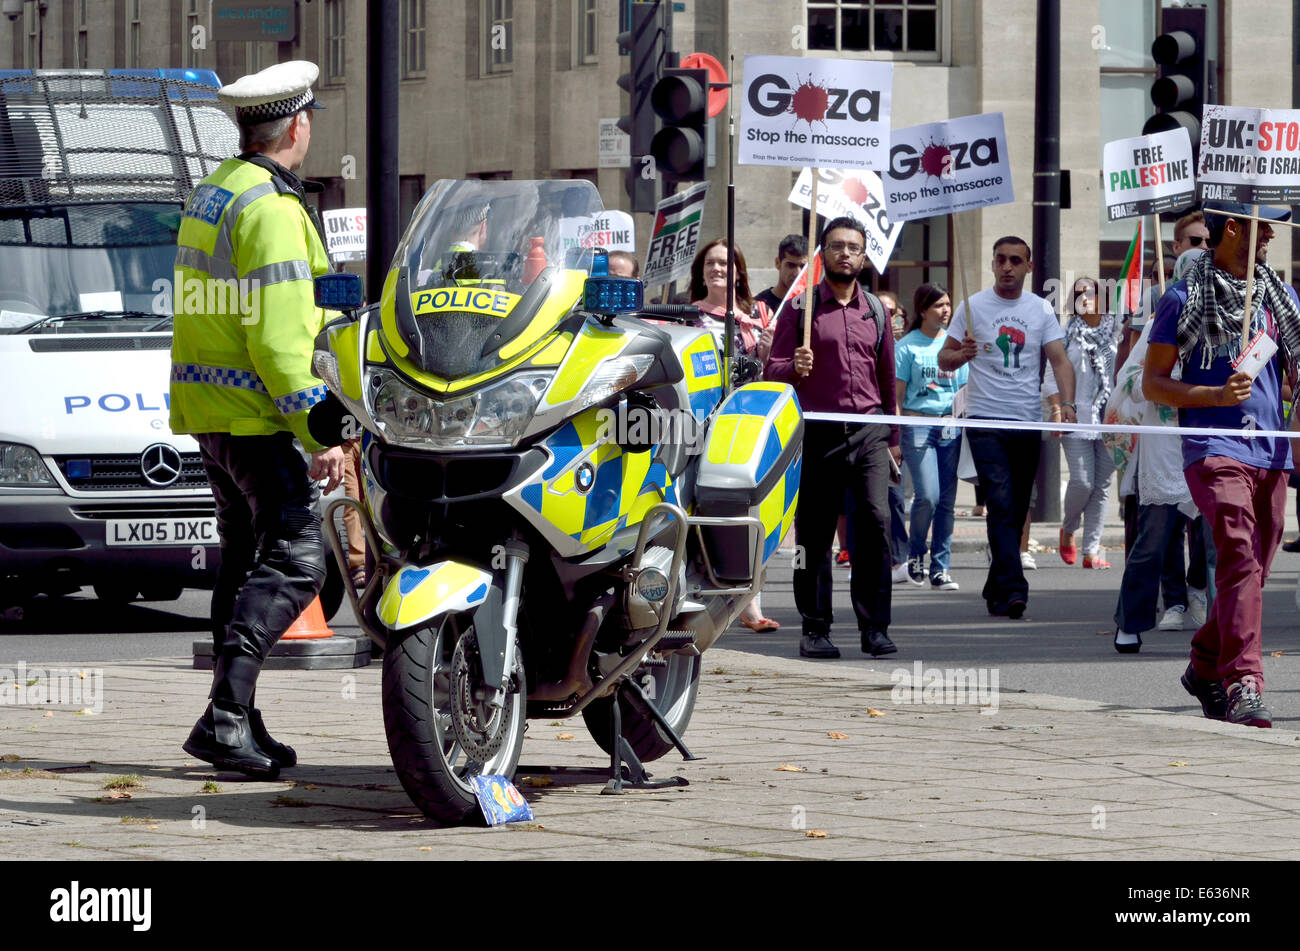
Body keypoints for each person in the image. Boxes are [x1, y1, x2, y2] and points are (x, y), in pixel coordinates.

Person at [170, 61, 344, 778]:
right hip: (257, 418)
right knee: (300, 560)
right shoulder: (272, 210)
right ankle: (226, 716)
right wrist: (321, 433)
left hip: (211, 413)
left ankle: (234, 718)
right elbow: (278, 341)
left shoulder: (214, 193)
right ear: (297, 127)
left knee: (243, 564)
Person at [1144, 200, 1299, 728]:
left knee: (1251, 573)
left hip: (1271, 450)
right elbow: (1153, 385)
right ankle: (1243, 682)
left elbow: (1289, 378)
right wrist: (1213, 395)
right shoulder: (1182, 297)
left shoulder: (1281, 298)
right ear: (1232, 227)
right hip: (1213, 448)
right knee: (1236, 555)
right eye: (1262, 228)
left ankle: (1204, 664)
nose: (1271, 239)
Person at [765, 216, 898, 659]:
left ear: (863, 257)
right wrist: (792, 367)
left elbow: (887, 376)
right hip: (816, 432)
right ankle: (815, 628)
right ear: (822, 256)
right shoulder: (800, 309)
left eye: (854, 247)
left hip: (869, 432)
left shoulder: (875, 311)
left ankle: (875, 627)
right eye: (837, 246)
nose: (846, 253)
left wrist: (893, 436)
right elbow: (771, 371)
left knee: (876, 525)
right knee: (813, 537)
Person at [938, 236, 1076, 619]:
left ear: (1029, 267)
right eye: (1001, 260)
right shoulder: (972, 306)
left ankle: (995, 585)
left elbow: (1060, 361)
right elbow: (944, 358)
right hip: (984, 419)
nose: (1007, 267)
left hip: (1027, 419)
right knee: (999, 503)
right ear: (992, 263)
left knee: (1015, 508)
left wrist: (1067, 404)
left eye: (1016, 260)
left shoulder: (1040, 310)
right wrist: (959, 354)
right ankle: (1015, 589)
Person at [1113, 249, 1213, 653]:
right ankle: (1131, 621)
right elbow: (1130, 381)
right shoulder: (1162, 322)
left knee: (1215, 539)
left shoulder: (1221, 323)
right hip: (1166, 448)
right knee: (1153, 539)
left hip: (1208, 440)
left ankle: (1220, 622)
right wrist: (1165, 381)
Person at [688, 239, 778, 632]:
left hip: (745, 423)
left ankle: (749, 602)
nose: (717, 269)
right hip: (701, 421)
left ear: (739, 270)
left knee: (751, 507)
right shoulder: (686, 314)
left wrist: (772, 350)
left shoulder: (760, 314)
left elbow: (771, 369)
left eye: (725, 263)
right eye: (710, 263)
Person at [895, 282, 967, 590]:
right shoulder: (907, 346)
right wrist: (895, 437)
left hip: (951, 426)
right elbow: (896, 397)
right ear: (923, 310)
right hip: (917, 425)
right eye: (939, 305)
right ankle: (915, 556)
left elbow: (964, 390)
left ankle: (941, 567)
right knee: (928, 496)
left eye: (948, 304)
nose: (946, 310)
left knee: (947, 501)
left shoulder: (955, 344)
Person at [1045, 276, 1119, 568]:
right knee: (1082, 482)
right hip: (1076, 414)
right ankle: (1068, 527)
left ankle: (1091, 550)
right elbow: (1051, 375)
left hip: (1110, 418)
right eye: (1078, 294)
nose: (1085, 297)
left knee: (1102, 485)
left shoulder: (1118, 332)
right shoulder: (1066, 334)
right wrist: (1058, 408)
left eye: (1090, 292)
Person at [755, 234, 807, 314]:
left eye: (803, 266)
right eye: (791, 265)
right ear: (778, 263)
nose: (798, 273)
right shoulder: (759, 305)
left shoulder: (813, 306)